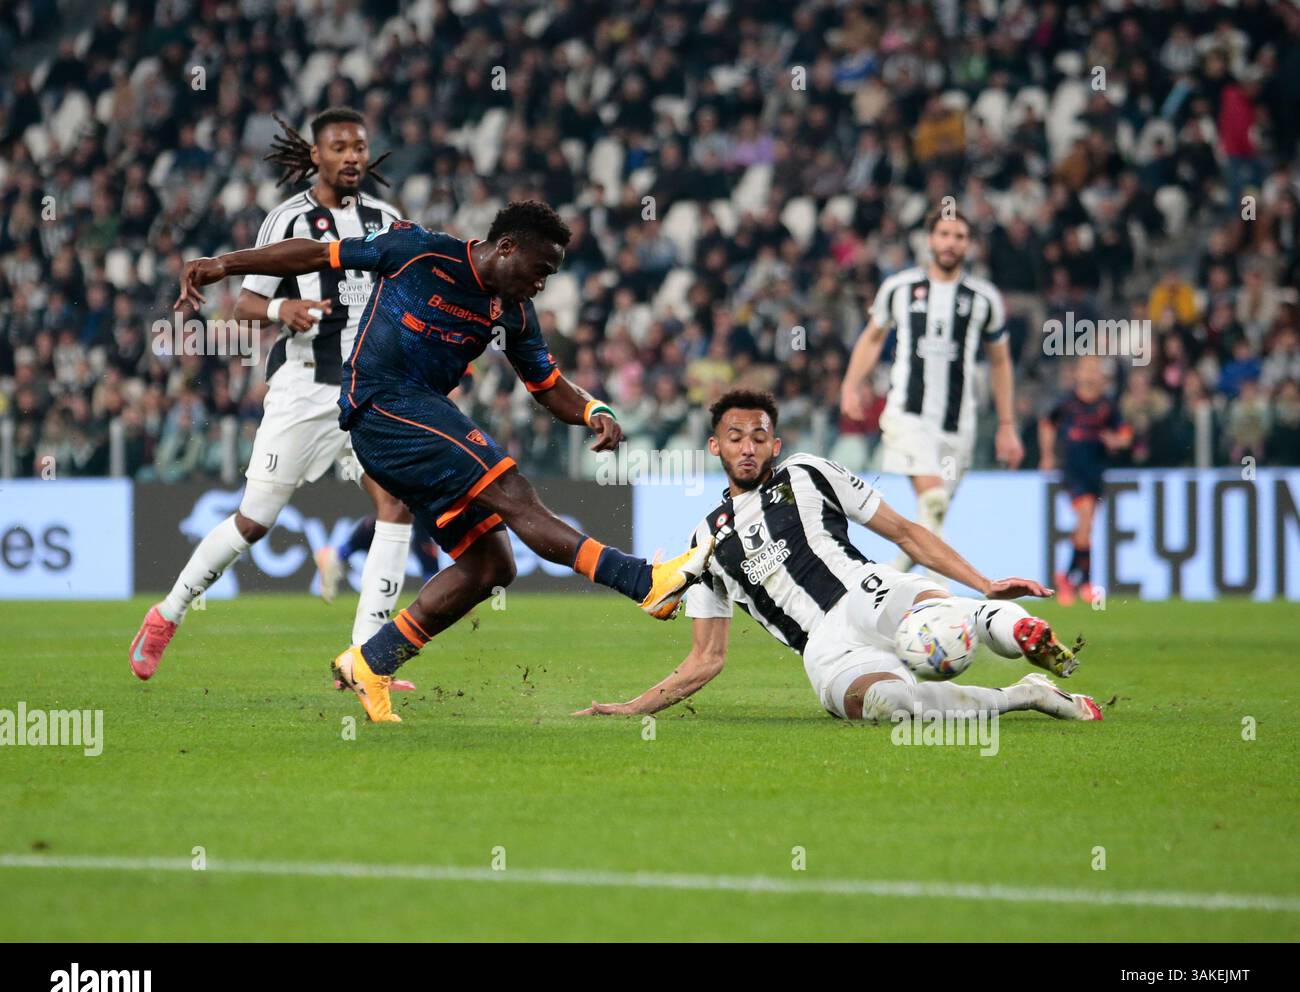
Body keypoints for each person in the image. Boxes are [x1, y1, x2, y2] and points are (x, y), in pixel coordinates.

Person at [172, 200, 711, 723]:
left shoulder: (513, 313)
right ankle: (642, 581)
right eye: (539, 269)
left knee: (491, 567)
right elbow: (315, 253)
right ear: (505, 247)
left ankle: (369, 661)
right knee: (512, 490)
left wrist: (592, 408)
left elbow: (547, 385)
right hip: (379, 406)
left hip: (417, 423)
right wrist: (225, 264)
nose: (542, 283)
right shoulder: (417, 252)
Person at [577, 390, 1100, 723]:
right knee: (892, 706)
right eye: (734, 438)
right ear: (715, 447)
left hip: (869, 592)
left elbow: (905, 532)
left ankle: (1014, 627)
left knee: (952, 619)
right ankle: (1027, 695)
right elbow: (706, 659)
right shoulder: (704, 542)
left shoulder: (807, 472)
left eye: (759, 437)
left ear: (775, 444)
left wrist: (983, 581)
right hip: (825, 650)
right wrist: (633, 707)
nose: (748, 447)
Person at [129, 108, 422, 688]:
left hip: (369, 393)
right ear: (316, 156)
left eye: (359, 147)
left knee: (396, 505)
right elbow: (241, 305)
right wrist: (278, 309)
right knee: (255, 520)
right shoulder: (287, 219)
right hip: (304, 389)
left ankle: (366, 661)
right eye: (338, 147)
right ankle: (167, 614)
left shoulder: (387, 219)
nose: (352, 157)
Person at [839, 208, 1024, 573]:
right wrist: (850, 386)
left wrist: (1006, 424)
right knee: (935, 501)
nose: (950, 243)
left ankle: (889, 580)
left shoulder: (983, 298)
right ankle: (944, 606)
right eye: (943, 234)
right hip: (908, 415)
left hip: (959, 423)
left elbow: (1001, 362)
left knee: (930, 519)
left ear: (968, 245)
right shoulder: (899, 288)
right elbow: (872, 338)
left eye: (958, 236)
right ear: (929, 240)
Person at [1038, 357, 1132, 604]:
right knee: (1085, 515)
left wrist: (1117, 440)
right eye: (1086, 369)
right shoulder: (1067, 403)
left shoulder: (1106, 405)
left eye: (1094, 369)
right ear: (1077, 374)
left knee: (1086, 526)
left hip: (1096, 471)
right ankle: (1085, 581)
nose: (1090, 374)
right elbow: (1047, 424)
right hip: (1072, 471)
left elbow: (1125, 433)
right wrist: (1047, 455)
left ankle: (1068, 577)